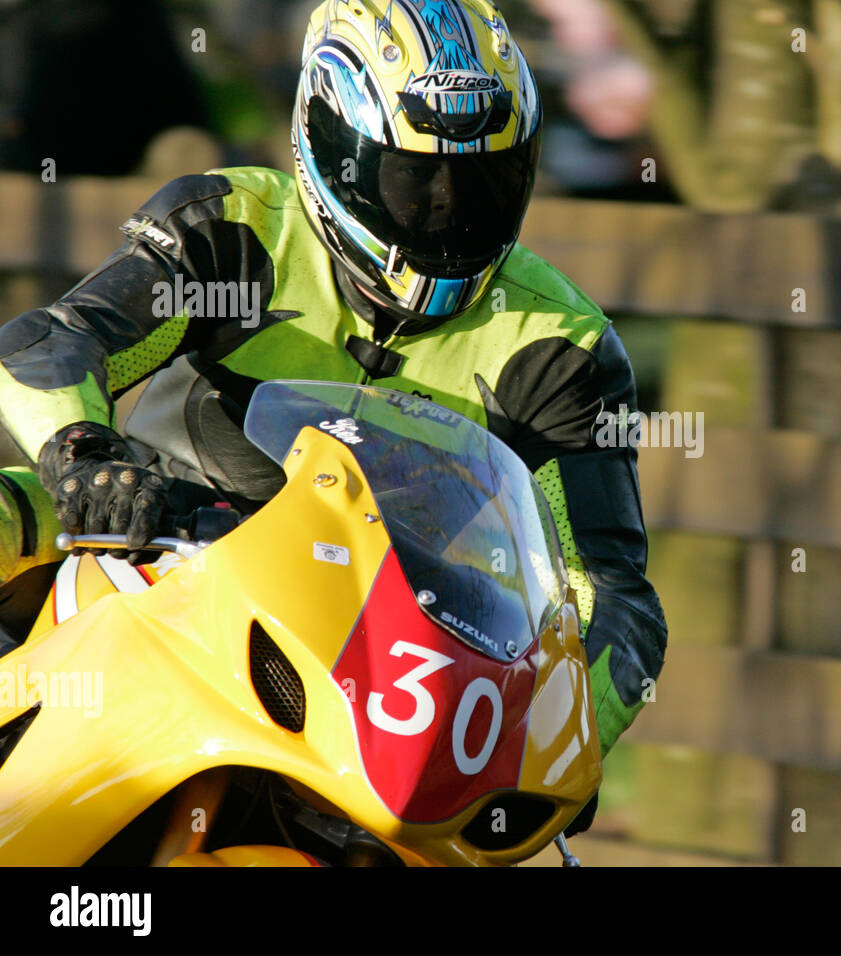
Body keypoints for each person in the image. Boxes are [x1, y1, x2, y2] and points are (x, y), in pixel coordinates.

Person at [0, 0, 666, 835]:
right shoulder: (235, 228)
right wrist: (83, 454)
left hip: (393, 658)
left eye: (480, 180)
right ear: (334, 150)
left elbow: (610, 597)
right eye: (413, 177)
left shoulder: (561, 343)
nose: (448, 207)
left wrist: (569, 742)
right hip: (153, 541)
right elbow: (51, 344)